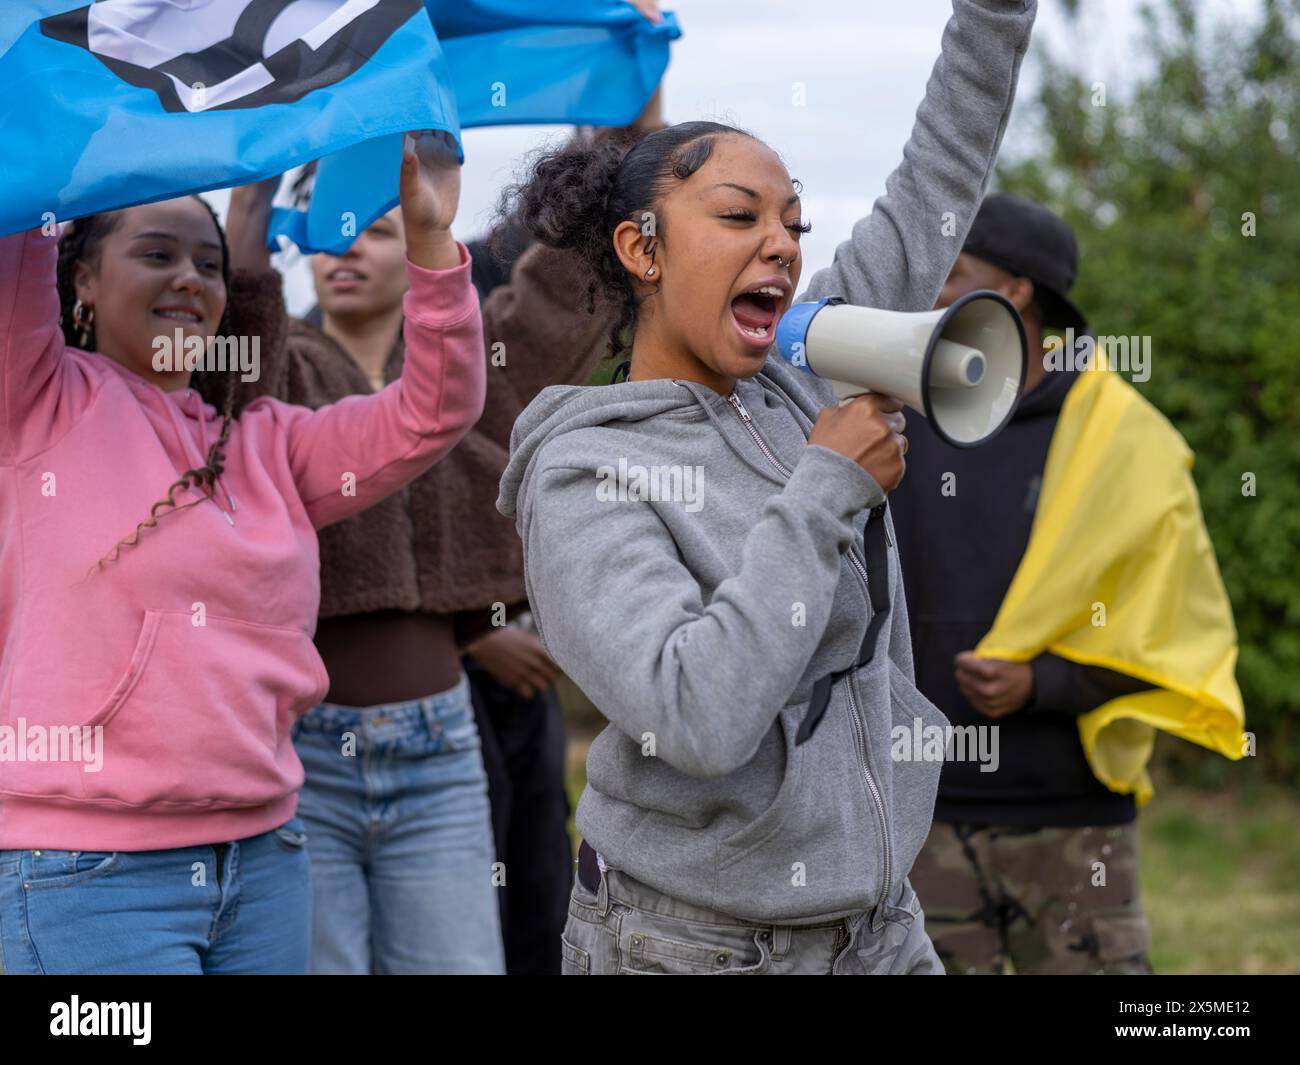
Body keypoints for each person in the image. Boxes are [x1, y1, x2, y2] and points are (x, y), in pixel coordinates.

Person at [495, 0, 1040, 975]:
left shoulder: (807, 371)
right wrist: (825, 488)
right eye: (740, 218)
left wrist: (995, 15)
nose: (783, 245)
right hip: (694, 944)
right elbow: (692, 715)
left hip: (877, 925)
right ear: (642, 250)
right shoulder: (582, 471)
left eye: (793, 223)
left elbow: (939, 180)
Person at [0, 133, 484, 975]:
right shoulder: (36, 399)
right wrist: (61, 96)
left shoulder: (268, 444)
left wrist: (433, 238)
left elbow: (431, 412)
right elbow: (20, 184)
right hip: (86, 876)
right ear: (80, 277)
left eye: (210, 263)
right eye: (156, 254)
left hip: (264, 861)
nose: (190, 278)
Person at [223, 129, 625, 972]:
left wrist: (624, 132)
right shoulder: (275, 369)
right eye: (331, 226)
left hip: (446, 733)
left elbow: (564, 292)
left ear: (417, 239)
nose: (350, 248)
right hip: (305, 745)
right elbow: (221, 391)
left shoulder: (470, 369)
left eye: (378, 228)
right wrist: (247, 206)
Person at [892, 193, 1244, 974]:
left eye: (956, 269)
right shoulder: (894, 418)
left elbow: (1176, 628)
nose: (932, 285)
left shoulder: (1125, 438)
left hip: (1071, 822)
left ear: (1016, 289)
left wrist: (1041, 681)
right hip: (918, 816)